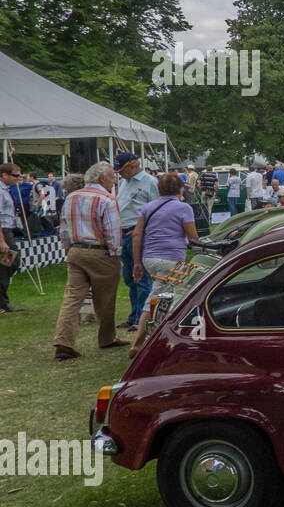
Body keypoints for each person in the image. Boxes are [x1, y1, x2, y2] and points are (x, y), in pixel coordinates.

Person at [54, 161, 127, 358]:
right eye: (112, 177)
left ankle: (63, 341)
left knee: (72, 298)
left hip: (76, 251)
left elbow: (64, 228)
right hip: (100, 251)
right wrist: (115, 253)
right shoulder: (107, 199)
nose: (114, 180)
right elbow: (112, 232)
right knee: (106, 298)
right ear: (102, 178)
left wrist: (69, 248)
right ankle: (106, 338)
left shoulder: (71, 197)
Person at [127, 173, 198, 355]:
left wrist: (137, 262)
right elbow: (193, 236)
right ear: (180, 189)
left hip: (149, 258)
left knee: (158, 295)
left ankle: (148, 339)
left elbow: (136, 235)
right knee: (167, 299)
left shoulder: (148, 207)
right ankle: (142, 342)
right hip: (172, 258)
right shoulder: (184, 208)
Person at [112, 153, 159, 332]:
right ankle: (134, 316)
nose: (120, 174)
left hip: (138, 234)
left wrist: (143, 229)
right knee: (130, 278)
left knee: (142, 277)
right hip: (124, 233)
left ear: (132, 167)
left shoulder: (150, 182)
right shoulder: (125, 182)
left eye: (122, 170)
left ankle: (142, 318)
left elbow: (156, 210)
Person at [0, 164, 23, 313]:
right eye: (15, 176)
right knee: (9, 262)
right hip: (4, 231)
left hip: (8, 229)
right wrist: (1, 240)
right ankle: (2, 302)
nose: (18, 178)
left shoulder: (6, 190)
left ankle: (3, 301)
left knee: (9, 263)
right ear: (4, 175)